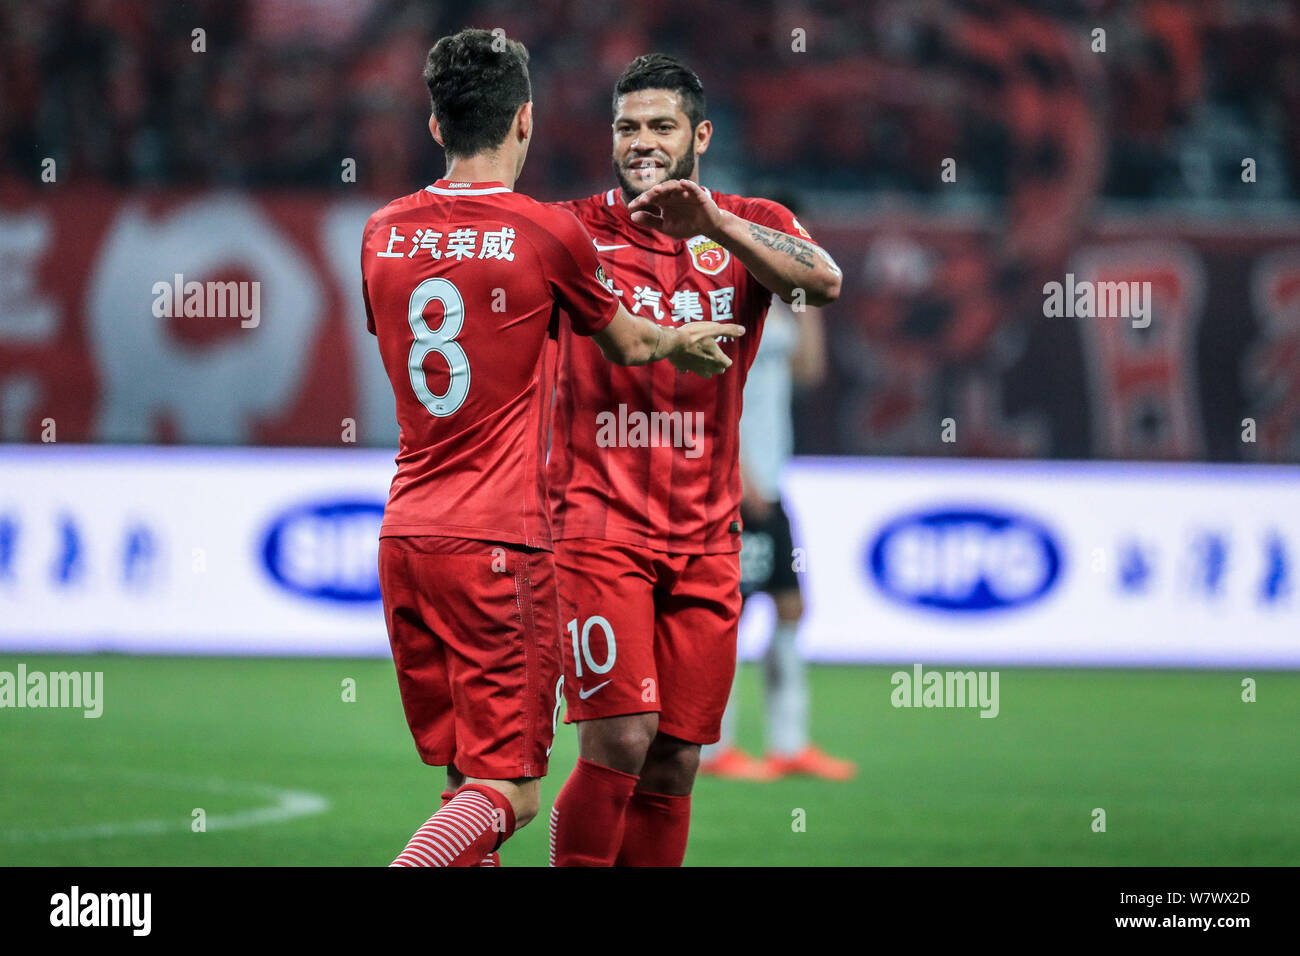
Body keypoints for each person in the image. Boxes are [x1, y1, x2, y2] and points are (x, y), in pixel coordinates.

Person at [361, 30, 742, 867]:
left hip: (405, 535)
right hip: (500, 542)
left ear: (434, 125)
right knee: (510, 791)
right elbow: (631, 346)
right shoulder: (545, 235)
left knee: (465, 782)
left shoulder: (381, 233)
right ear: (525, 120)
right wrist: (681, 343)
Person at [546, 54, 843, 866]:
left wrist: (714, 225)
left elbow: (823, 284)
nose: (641, 142)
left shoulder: (746, 221)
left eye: (661, 126)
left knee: (676, 759)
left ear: (700, 136)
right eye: (627, 127)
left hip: (706, 539)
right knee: (622, 738)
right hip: (598, 527)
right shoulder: (572, 231)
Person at [699, 252, 856, 782]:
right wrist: (739, 468)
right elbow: (712, 391)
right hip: (737, 484)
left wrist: (808, 298)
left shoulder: (783, 311)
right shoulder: (730, 303)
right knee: (729, 615)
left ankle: (789, 744)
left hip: (773, 481)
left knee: (789, 606)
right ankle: (712, 748)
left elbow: (808, 372)